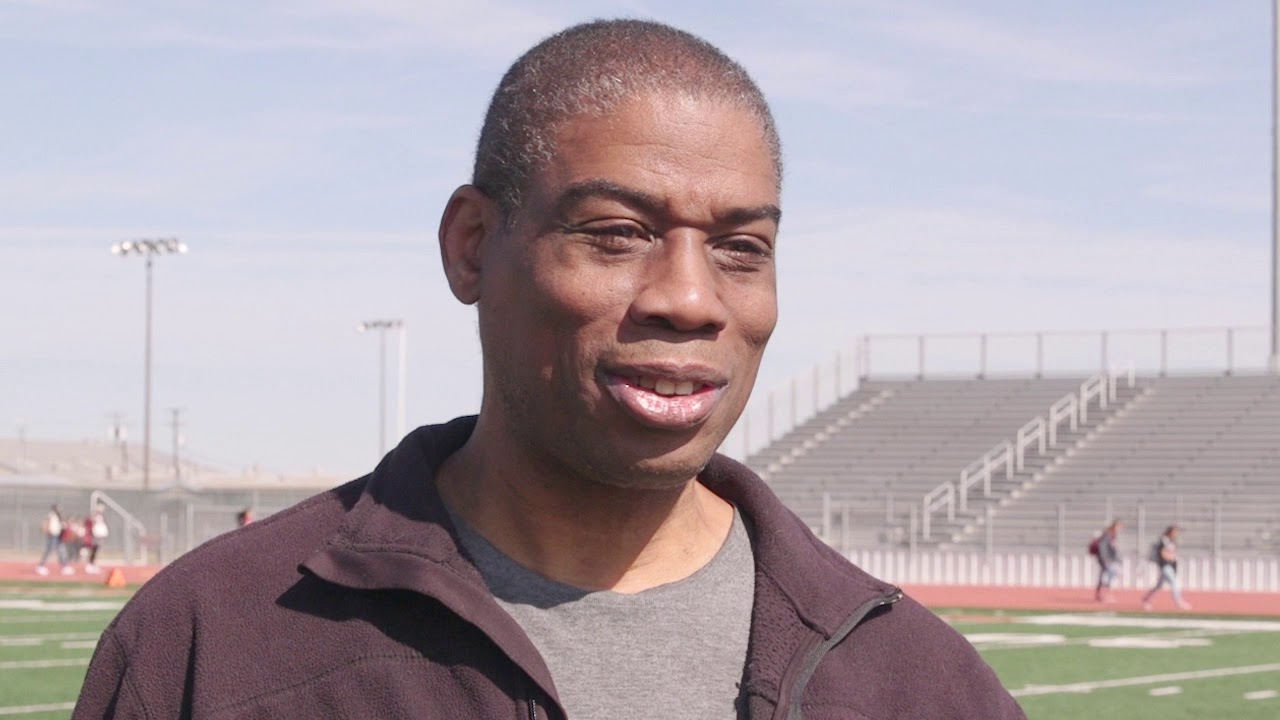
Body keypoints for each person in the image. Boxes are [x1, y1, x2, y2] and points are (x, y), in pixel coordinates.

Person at [74, 20, 1024, 720]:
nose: (690, 300)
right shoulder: (211, 646)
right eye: (617, 234)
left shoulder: (923, 685)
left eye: (741, 248)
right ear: (472, 247)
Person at [1142, 525, 1191, 611]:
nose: (1176, 534)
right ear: (1171, 532)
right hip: (1165, 566)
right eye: (1175, 532)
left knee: (1158, 586)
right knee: (1174, 582)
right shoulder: (1163, 540)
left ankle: (1147, 599)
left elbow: (1173, 552)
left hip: (1170, 566)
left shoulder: (1172, 541)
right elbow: (1162, 553)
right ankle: (1178, 601)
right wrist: (1170, 557)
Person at [35, 504, 73, 576]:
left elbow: (61, 525)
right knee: (49, 551)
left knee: (62, 551)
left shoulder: (59, 517)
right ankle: (41, 566)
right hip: (53, 536)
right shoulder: (52, 516)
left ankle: (64, 566)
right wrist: (48, 531)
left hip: (58, 536)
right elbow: (48, 525)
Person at [1092, 520, 1122, 602]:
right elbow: (1102, 547)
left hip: (1109, 559)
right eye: (1118, 527)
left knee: (1107, 575)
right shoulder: (1107, 535)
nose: (1119, 529)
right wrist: (1105, 559)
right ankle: (1104, 594)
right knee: (1109, 575)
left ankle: (1101, 593)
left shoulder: (1112, 535)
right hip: (1106, 559)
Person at [83, 503, 108, 574]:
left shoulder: (100, 517)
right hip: (95, 536)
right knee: (93, 550)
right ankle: (90, 565)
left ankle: (92, 564)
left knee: (95, 550)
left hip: (98, 537)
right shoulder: (95, 517)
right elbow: (92, 525)